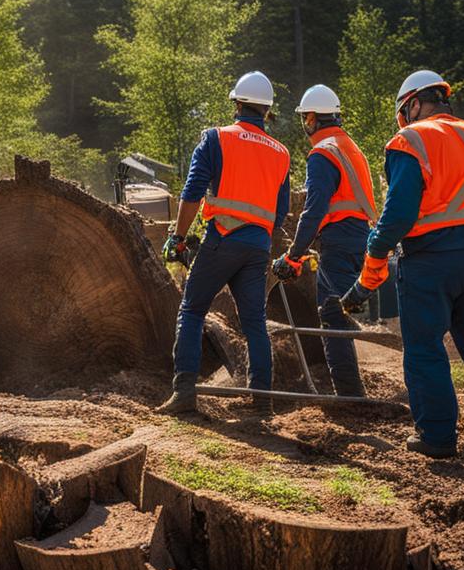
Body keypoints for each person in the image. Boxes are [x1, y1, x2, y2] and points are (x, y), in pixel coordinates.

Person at [339, 70, 464, 472]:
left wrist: (371, 264)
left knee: (426, 350)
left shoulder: (410, 140)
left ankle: (438, 439)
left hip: (429, 261)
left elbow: (398, 215)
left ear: (411, 104)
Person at [156, 71, 291, 415]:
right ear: (266, 110)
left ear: (237, 104)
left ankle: (185, 392)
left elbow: (192, 192)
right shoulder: (281, 152)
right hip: (258, 245)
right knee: (254, 323)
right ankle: (262, 399)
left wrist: (179, 237)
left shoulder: (216, 138)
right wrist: (258, 237)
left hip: (223, 238)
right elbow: (282, 211)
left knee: (192, 310)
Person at [272, 85, 376, 396]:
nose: (305, 124)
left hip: (340, 240)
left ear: (314, 117)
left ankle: (349, 394)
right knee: (340, 312)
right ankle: (351, 388)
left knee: (332, 315)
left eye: (305, 118)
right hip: (361, 237)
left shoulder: (322, 153)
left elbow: (314, 210)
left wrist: (293, 255)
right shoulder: (349, 146)